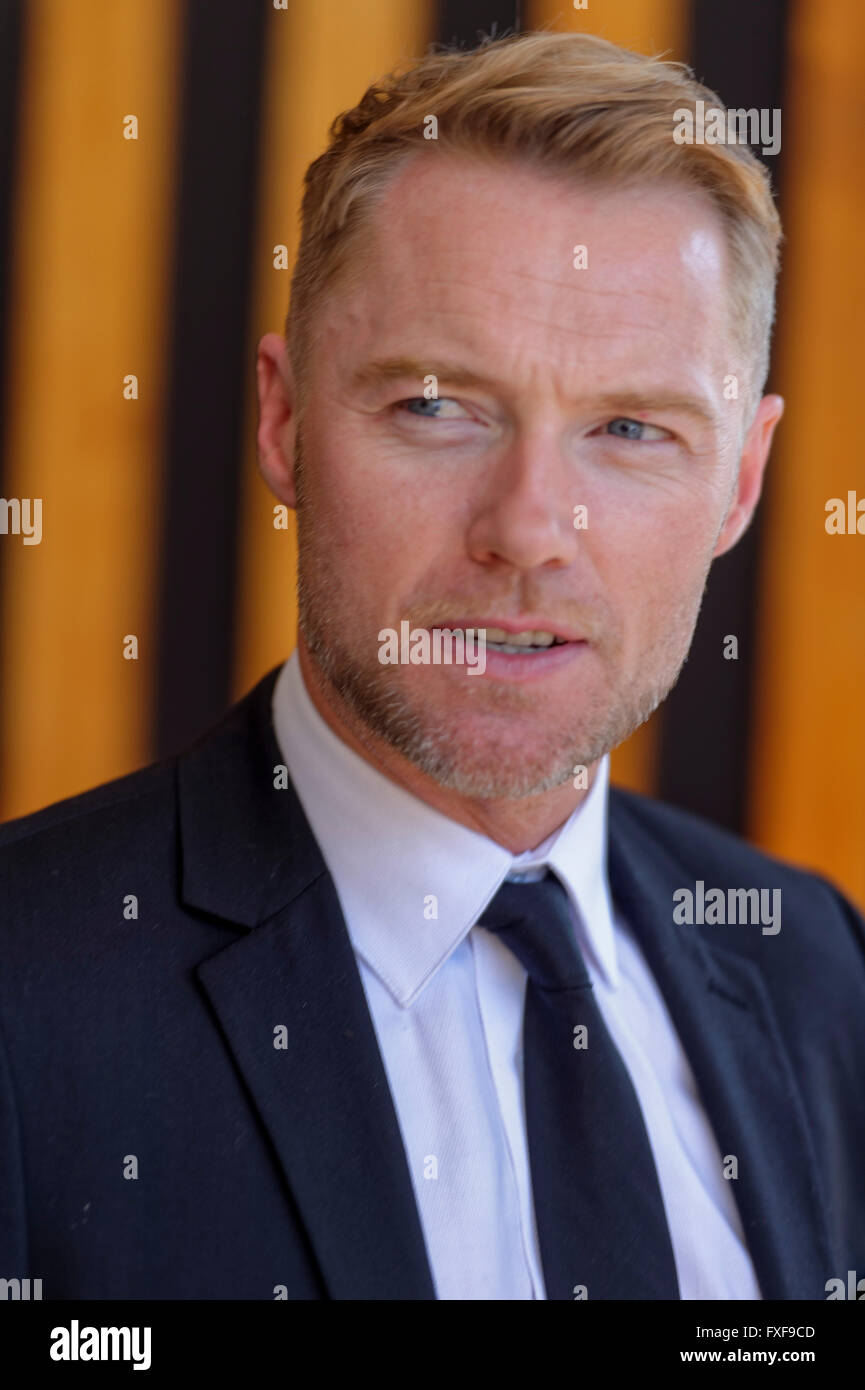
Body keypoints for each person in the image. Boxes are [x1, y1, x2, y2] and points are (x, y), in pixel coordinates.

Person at [1, 31, 862, 1302]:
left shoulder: (817, 969)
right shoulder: (28, 990)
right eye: (433, 405)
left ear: (739, 480)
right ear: (284, 422)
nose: (526, 527)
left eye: (630, 428)